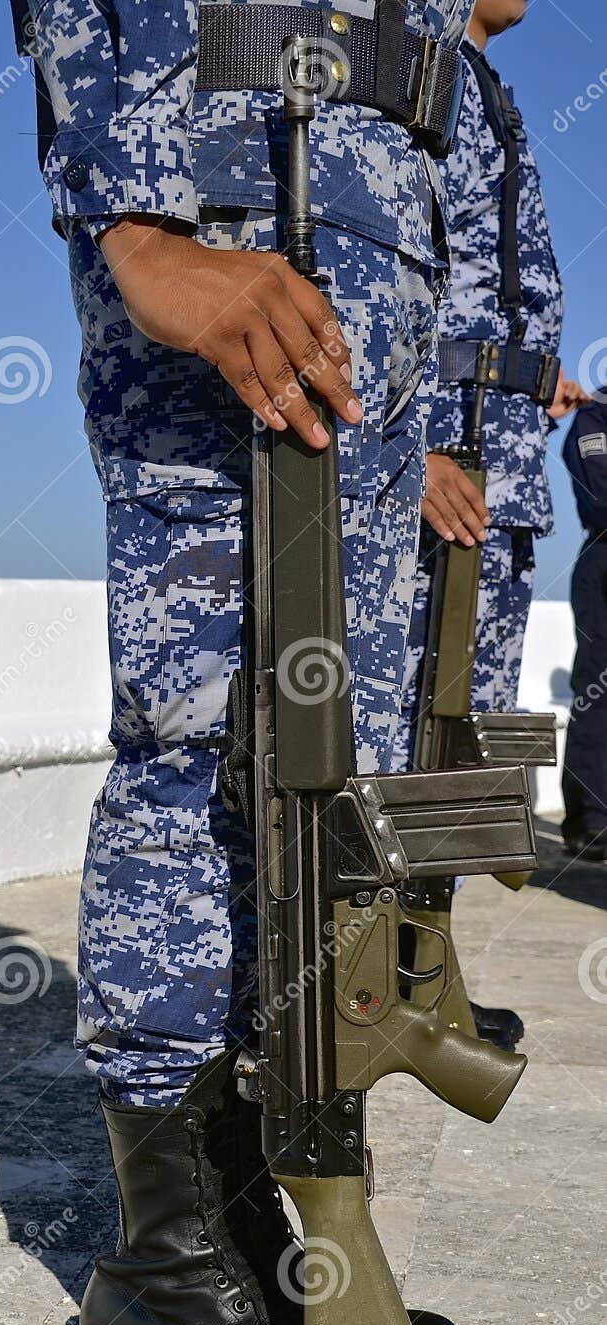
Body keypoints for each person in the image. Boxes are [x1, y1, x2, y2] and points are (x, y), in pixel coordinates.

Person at [13, 0, 477, 1325]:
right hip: (236, 200)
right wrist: (136, 218)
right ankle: (165, 1266)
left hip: (369, 232)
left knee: (330, 769)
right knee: (208, 742)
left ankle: (244, 1204)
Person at [393, 0, 585, 1048]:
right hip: (450, 462)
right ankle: (383, 988)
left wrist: (533, 378)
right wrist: (406, 446)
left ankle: (422, 971)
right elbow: (375, 271)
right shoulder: (416, 69)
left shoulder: (478, 84)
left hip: (498, 462)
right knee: (418, 738)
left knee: (464, 739)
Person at [561, 393, 607, 860]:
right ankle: (591, 821)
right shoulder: (597, 414)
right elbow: (598, 493)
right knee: (597, 690)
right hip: (604, 561)